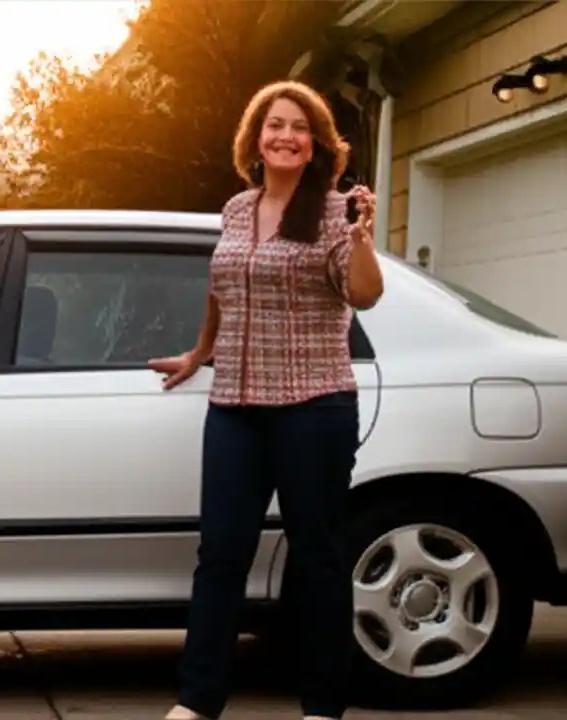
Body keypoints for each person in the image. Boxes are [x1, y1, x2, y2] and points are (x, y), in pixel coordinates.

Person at [147, 80, 384, 720]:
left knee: (317, 558)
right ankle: (197, 703)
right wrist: (200, 354)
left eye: (298, 127)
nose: (284, 135)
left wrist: (362, 240)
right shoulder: (236, 209)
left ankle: (322, 708)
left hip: (314, 405)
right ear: (256, 138)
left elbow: (364, 296)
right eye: (274, 124)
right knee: (220, 555)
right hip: (236, 408)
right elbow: (223, 288)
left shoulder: (333, 212)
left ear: (315, 146)